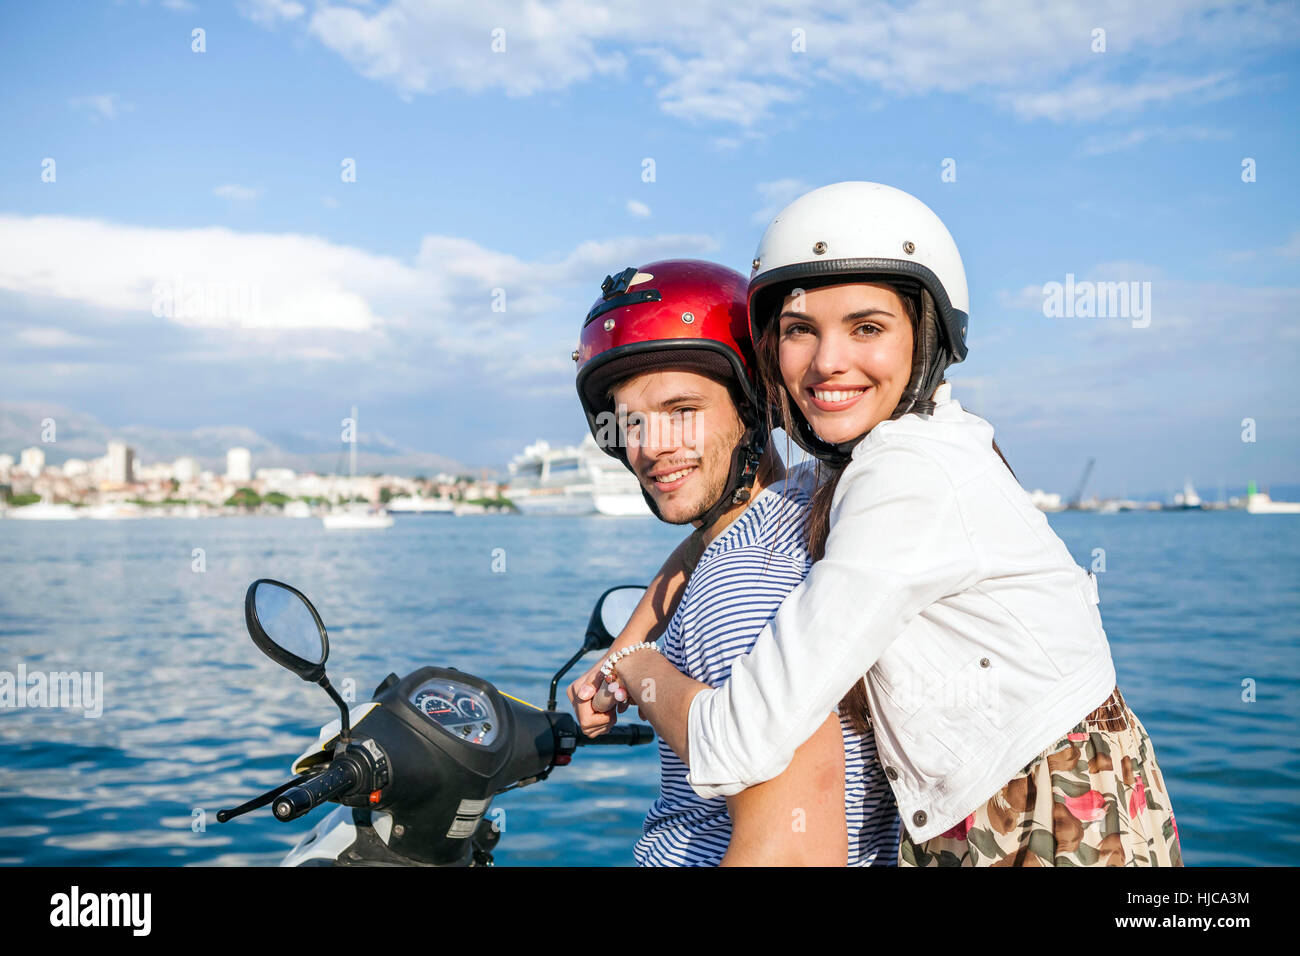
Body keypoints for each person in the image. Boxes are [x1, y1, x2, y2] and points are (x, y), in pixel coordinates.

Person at [583, 184, 1182, 867]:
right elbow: (720, 534)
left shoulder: (893, 485)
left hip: (1042, 832)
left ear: (925, 335)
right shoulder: (862, 469)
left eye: (867, 327)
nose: (829, 361)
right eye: (801, 329)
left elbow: (742, 749)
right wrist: (627, 636)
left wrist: (638, 668)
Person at [569, 258, 899, 866]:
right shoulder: (806, 498)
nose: (652, 447)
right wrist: (622, 649)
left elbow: (794, 857)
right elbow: (695, 555)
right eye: (632, 421)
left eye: (682, 411)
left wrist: (639, 668)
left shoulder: (740, 589)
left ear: (753, 406)